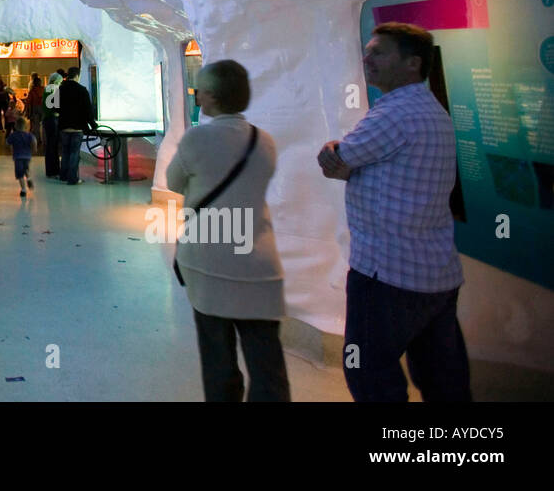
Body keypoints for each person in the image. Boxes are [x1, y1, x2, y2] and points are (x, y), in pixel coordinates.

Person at [318, 22, 471, 402]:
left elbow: (338, 161)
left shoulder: (393, 114)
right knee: (443, 379)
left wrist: (338, 154)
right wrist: (346, 159)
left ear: (412, 64)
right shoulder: (429, 109)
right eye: (368, 51)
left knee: (369, 373)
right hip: (435, 272)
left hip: (386, 273)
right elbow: (351, 160)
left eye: (379, 52)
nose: (367, 59)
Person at [166, 60, 289, 402]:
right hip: (259, 264)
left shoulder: (198, 138)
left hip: (209, 260)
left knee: (218, 360)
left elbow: (173, 182)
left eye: (201, 90)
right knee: (268, 367)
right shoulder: (263, 141)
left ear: (213, 96)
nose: (198, 96)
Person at [56, 66, 96, 185]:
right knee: (74, 153)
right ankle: (72, 178)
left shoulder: (60, 89)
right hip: (77, 127)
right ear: (77, 76)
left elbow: (54, 106)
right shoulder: (82, 90)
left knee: (65, 152)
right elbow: (88, 110)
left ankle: (63, 175)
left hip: (64, 125)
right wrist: (93, 125)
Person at [6, 117, 37, 197]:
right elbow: (34, 141)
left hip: (18, 157)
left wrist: (11, 148)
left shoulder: (13, 135)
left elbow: (8, 142)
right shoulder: (29, 135)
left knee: (20, 174)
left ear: (15, 126)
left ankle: (23, 190)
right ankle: (29, 178)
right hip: (27, 156)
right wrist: (34, 148)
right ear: (26, 126)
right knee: (26, 169)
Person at [42, 69, 63, 178]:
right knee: (53, 146)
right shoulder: (55, 88)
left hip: (47, 119)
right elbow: (56, 105)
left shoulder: (47, 88)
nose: (60, 84)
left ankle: (50, 170)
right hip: (53, 119)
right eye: (59, 82)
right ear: (55, 81)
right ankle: (54, 170)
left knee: (50, 145)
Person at [25, 74, 44, 147]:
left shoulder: (32, 91)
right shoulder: (44, 89)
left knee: (36, 126)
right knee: (43, 125)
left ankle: (37, 140)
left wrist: (26, 111)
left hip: (35, 109)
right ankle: (43, 140)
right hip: (43, 109)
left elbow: (28, 102)